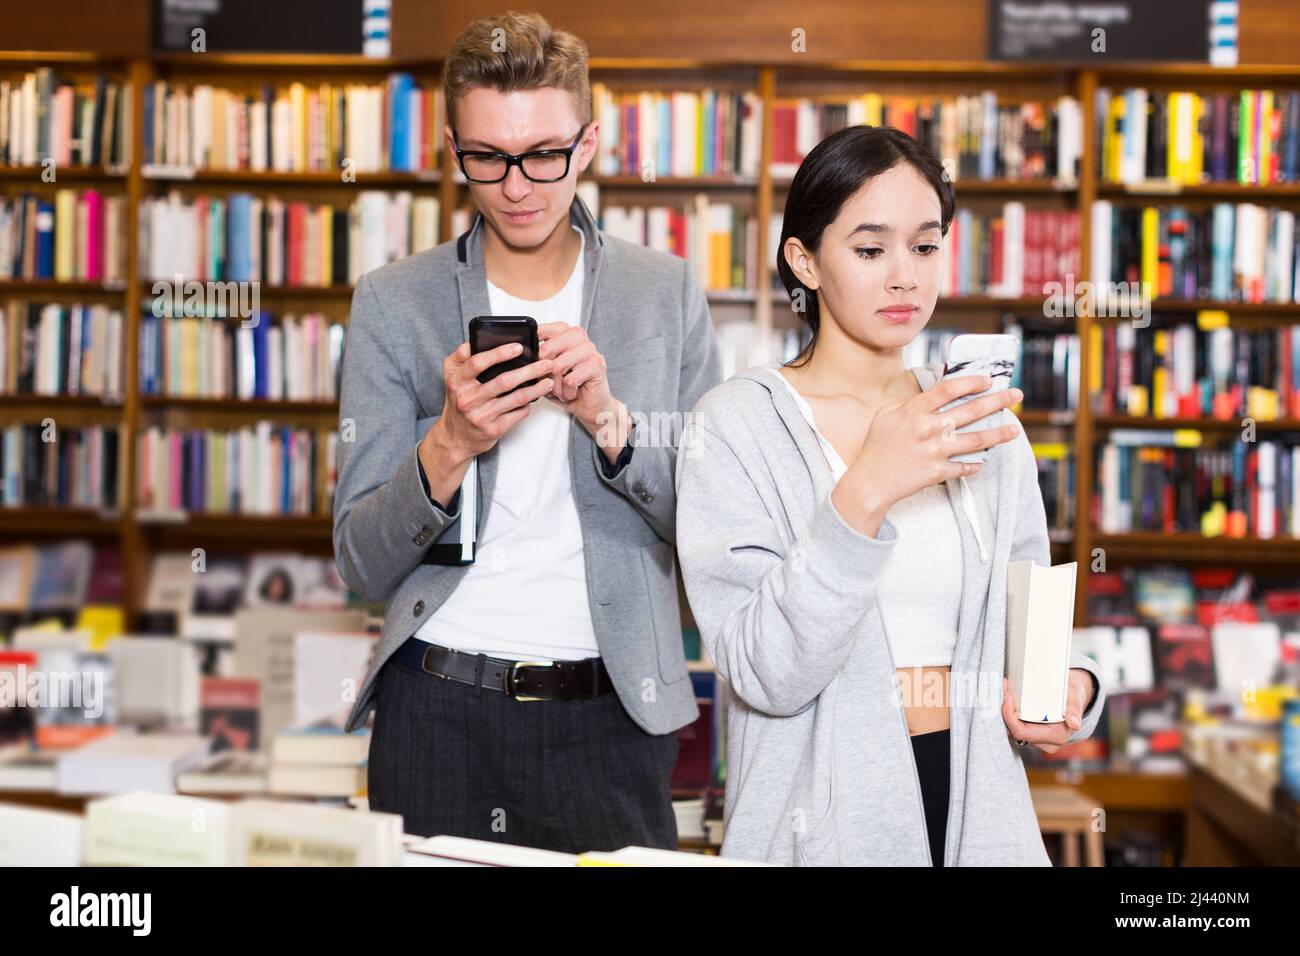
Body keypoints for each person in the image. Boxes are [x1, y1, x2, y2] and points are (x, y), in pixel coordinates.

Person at [333, 11, 722, 852]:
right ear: (451, 148)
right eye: (488, 157)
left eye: (544, 155)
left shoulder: (664, 293)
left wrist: (611, 426)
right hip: (434, 708)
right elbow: (360, 561)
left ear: (586, 145)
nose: (517, 186)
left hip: (612, 715)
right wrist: (447, 446)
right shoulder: (394, 302)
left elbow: (715, 525)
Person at [674, 124, 1105, 866]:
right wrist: (866, 488)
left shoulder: (979, 420)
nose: (905, 276)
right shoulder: (737, 425)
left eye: (926, 245)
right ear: (804, 260)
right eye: (871, 250)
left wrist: (1072, 682)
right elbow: (763, 672)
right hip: (821, 830)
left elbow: (1032, 625)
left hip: (978, 816)